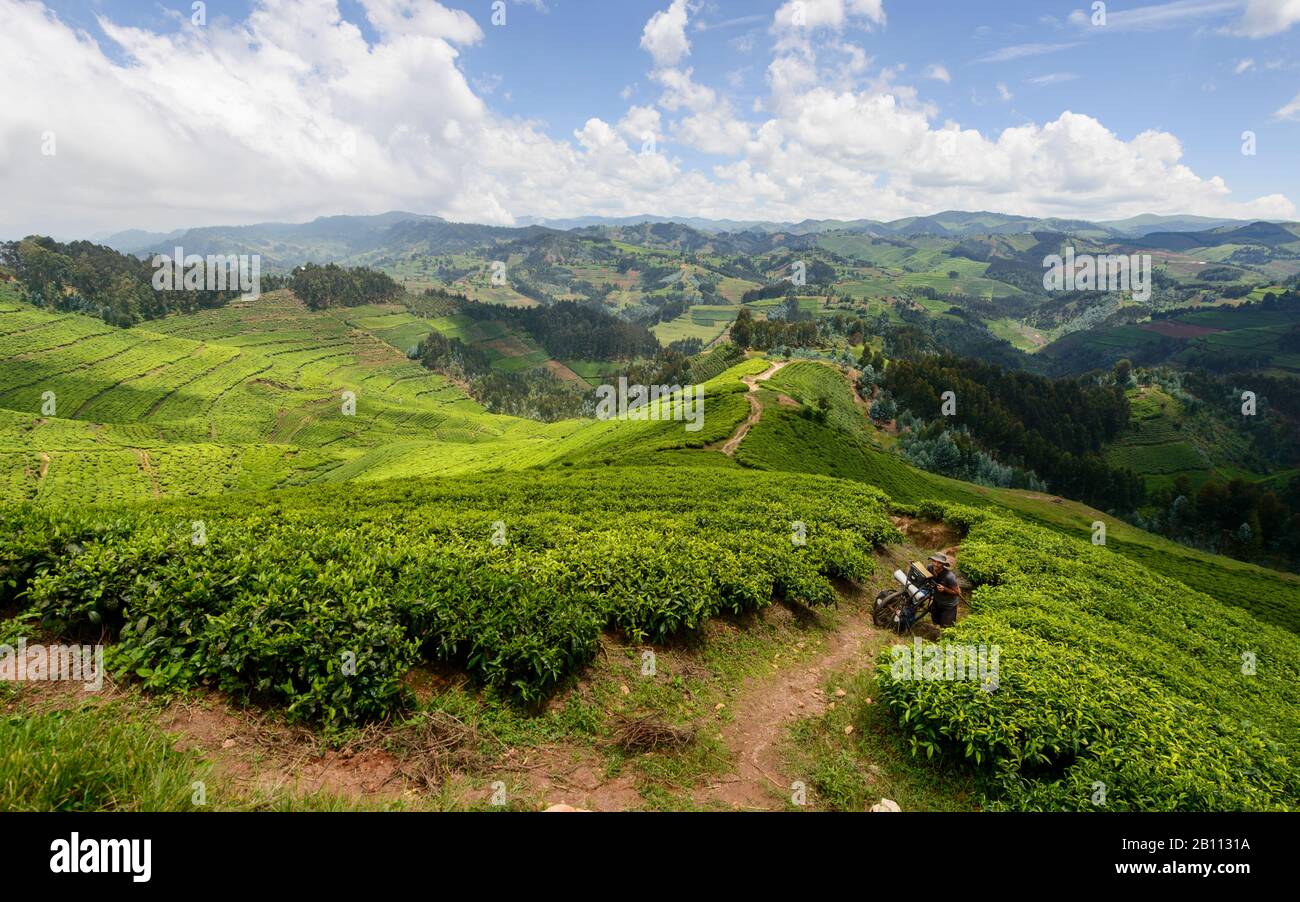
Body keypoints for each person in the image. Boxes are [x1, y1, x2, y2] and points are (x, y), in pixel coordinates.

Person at [927, 552, 961, 628]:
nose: (935, 564)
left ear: (943, 564)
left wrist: (945, 589)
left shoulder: (949, 576)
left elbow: (957, 592)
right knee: (935, 621)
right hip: (937, 601)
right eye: (934, 561)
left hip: (948, 605)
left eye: (938, 563)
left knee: (947, 627)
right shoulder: (930, 568)